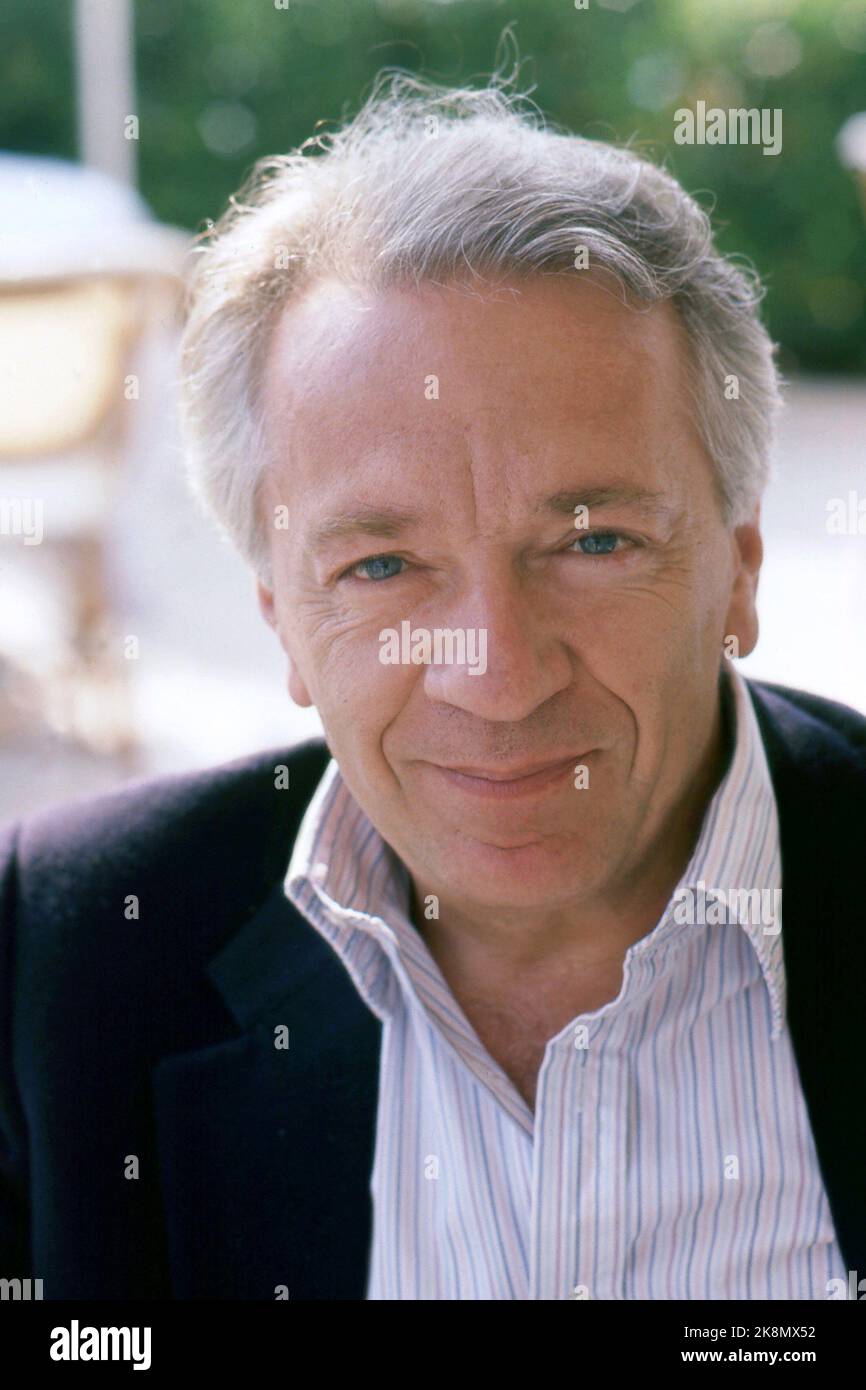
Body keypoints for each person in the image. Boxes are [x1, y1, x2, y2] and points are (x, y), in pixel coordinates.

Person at [1, 71, 864, 1301]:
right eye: (383, 565)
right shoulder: (63, 959)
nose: (498, 678)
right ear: (283, 622)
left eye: (591, 540)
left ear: (736, 568)